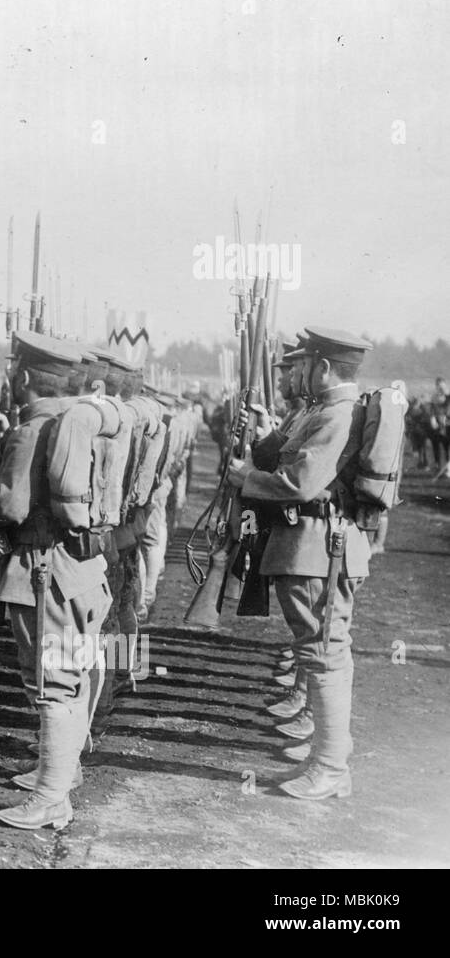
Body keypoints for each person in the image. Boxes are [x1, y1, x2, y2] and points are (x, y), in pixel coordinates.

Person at [0, 332, 110, 830]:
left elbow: (9, 505)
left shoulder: (33, 430)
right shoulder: (77, 422)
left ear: (23, 377)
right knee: (72, 677)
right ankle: (57, 783)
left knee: (52, 686)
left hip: (43, 572)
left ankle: (51, 799)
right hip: (81, 570)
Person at [227, 326, 373, 800]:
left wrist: (249, 475)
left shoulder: (335, 415)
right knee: (322, 647)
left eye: (305, 364)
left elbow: (301, 483)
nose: (300, 371)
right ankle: (327, 754)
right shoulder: (327, 412)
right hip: (311, 545)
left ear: (323, 368)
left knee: (324, 650)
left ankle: (330, 766)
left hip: (318, 546)